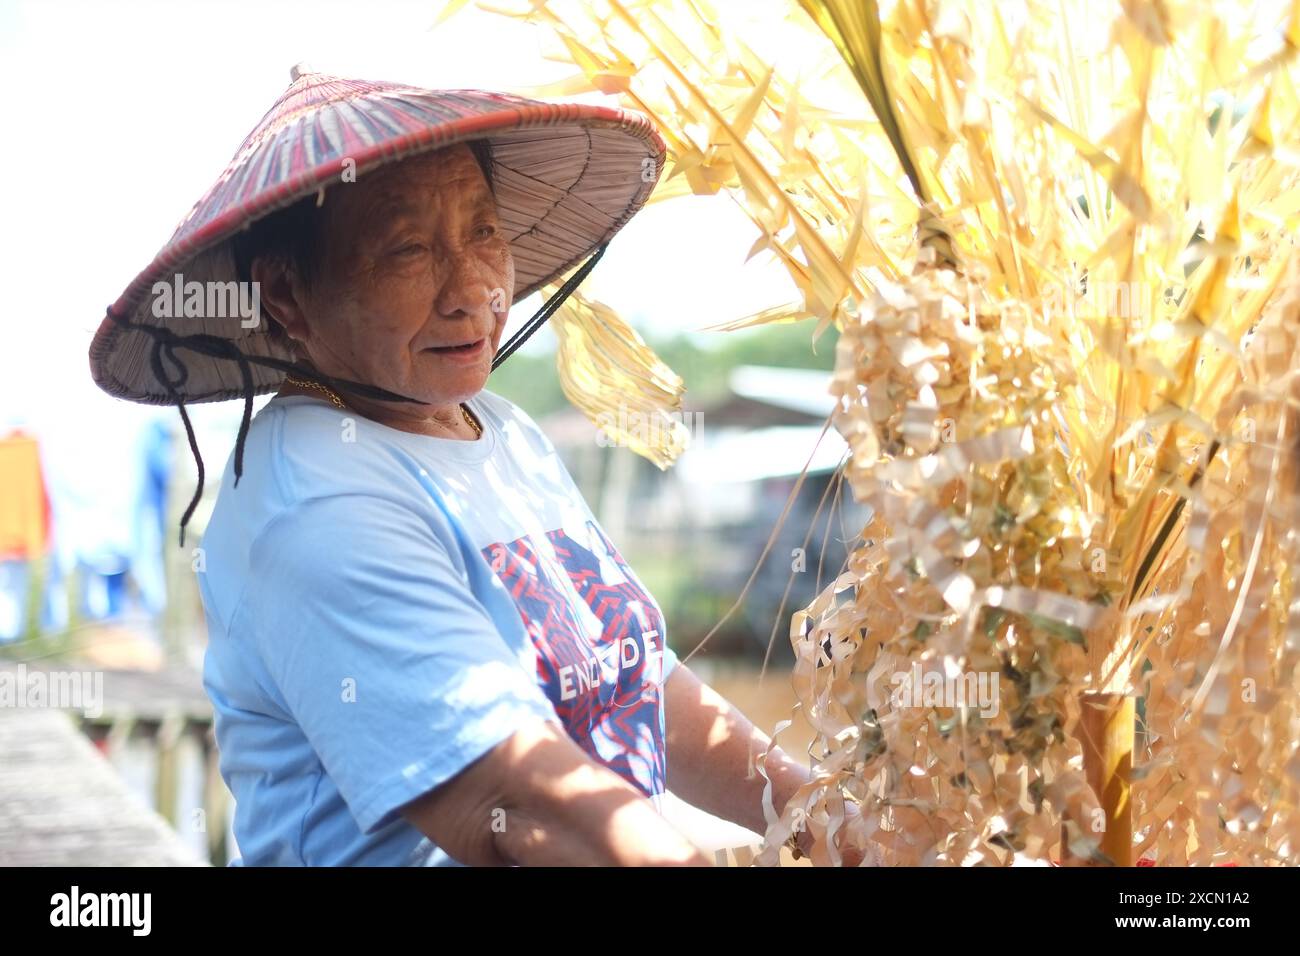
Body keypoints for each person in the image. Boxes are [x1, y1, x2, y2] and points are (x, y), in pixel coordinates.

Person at [89, 67, 862, 866]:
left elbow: (639, 680)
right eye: (408, 249)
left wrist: (827, 820)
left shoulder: (500, 430)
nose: (473, 292)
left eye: (484, 232)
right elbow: (515, 801)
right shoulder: (317, 501)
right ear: (285, 295)